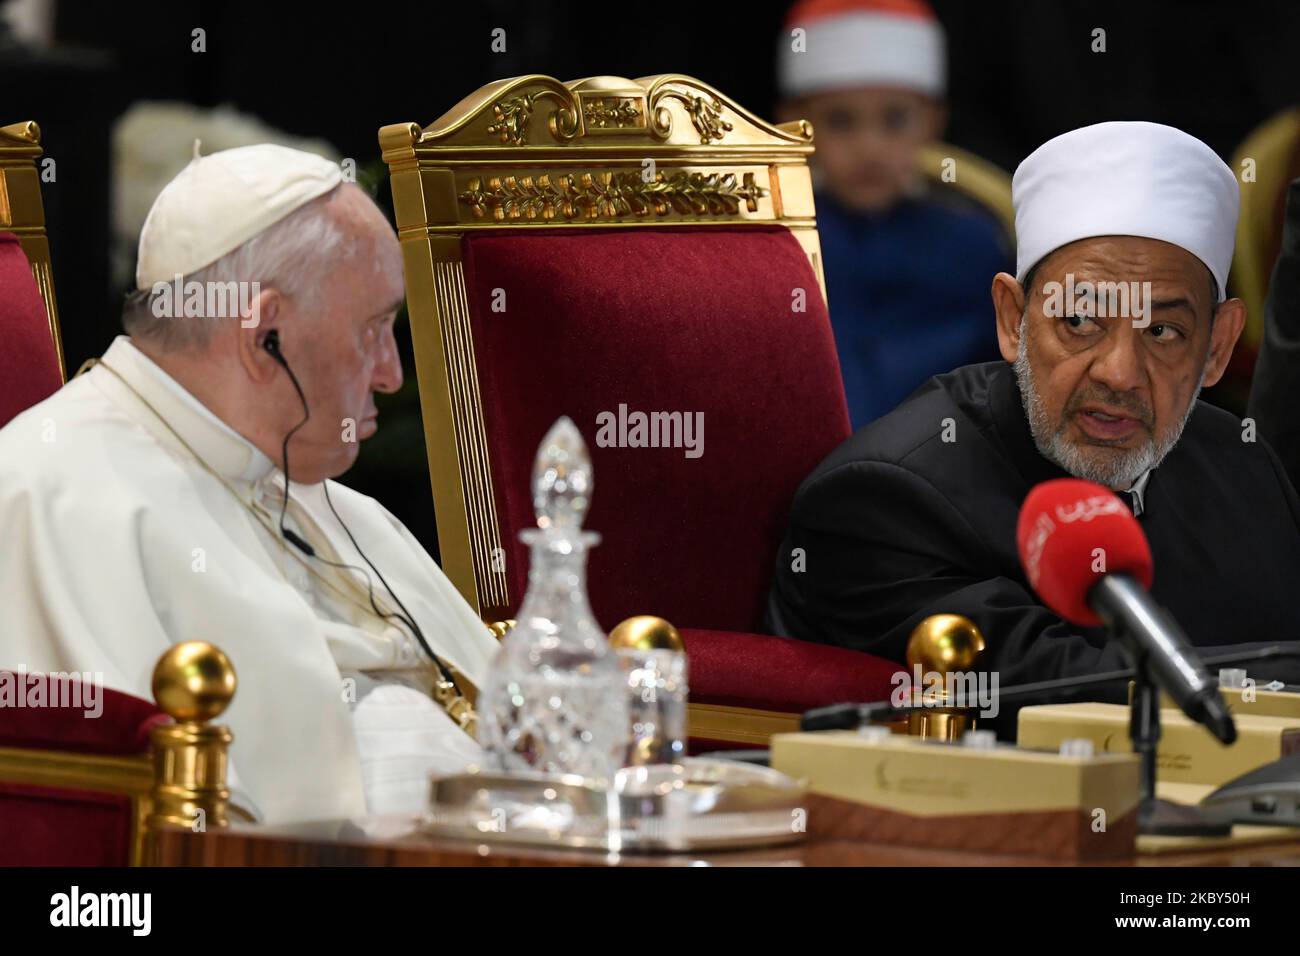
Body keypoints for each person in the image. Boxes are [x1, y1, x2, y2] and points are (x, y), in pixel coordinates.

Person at [0, 143, 499, 823]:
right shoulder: (53, 497)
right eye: (374, 331)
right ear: (265, 336)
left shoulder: (315, 491)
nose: (391, 374)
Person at [766, 122, 1300, 726]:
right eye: (1079, 320)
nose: (1121, 373)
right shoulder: (884, 501)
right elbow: (1080, 699)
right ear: (1014, 319)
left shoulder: (1242, 464)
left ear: (1219, 347)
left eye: (1162, 332)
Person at [776, 0, 1010, 428]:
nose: (870, 146)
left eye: (895, 119)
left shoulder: (975, 247)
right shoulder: (774, 243)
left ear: (933, 122)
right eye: (841, 121)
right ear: (793, 123)